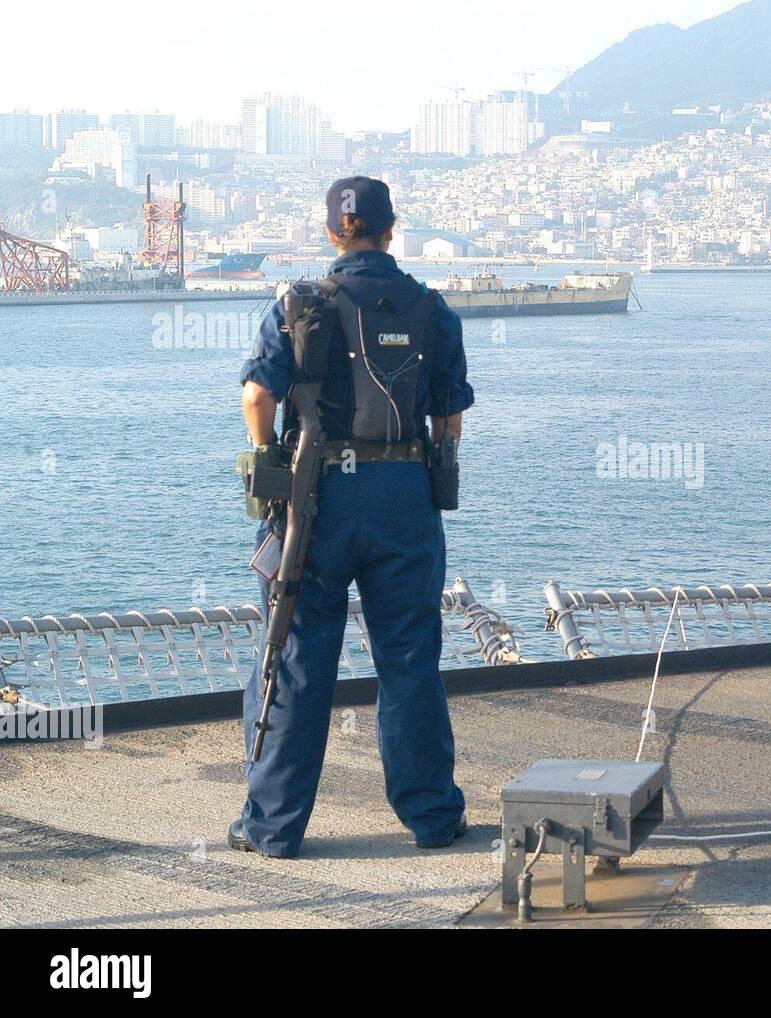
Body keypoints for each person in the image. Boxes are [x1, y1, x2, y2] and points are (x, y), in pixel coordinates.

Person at [230, 176, 473, 858]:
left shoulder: (301, 303)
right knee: (409, 660)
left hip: (316, 500)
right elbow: (449, 416)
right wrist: (430, 464)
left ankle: (273, 826)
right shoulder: (431, 308)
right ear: (391, 229)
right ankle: (431, 817)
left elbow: (257, 398)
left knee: (297, 658)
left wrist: (266, 459)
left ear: (332, 231)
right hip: (405, 497)